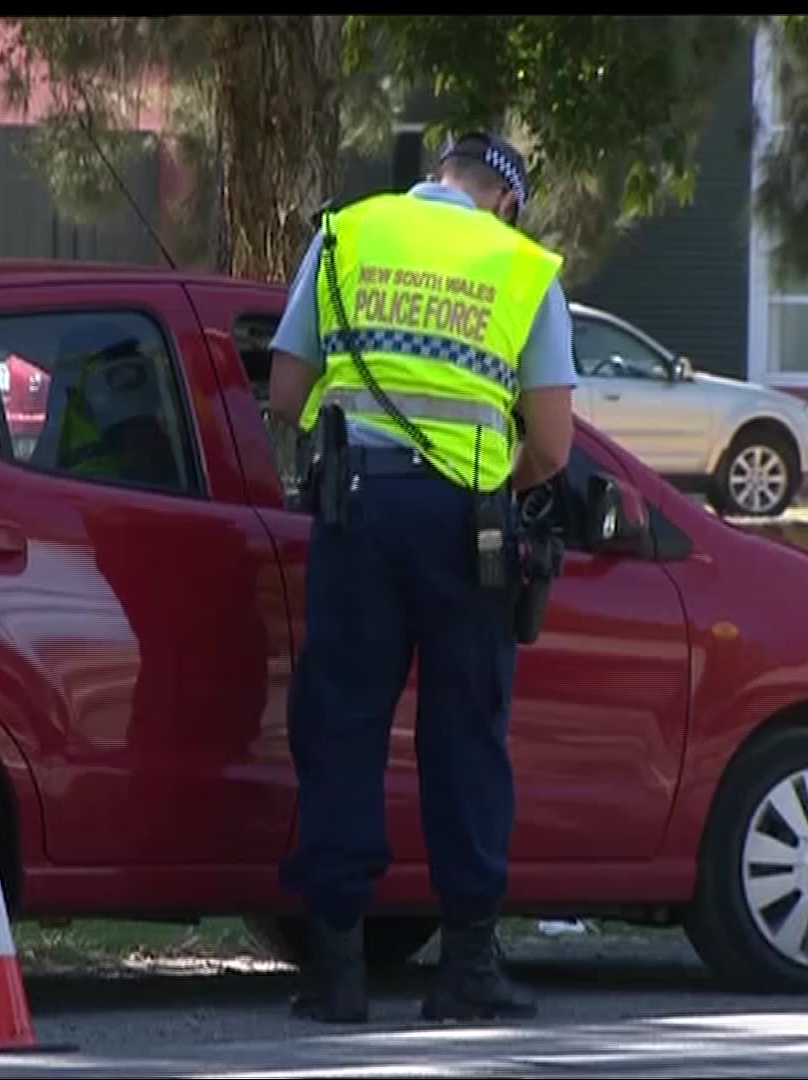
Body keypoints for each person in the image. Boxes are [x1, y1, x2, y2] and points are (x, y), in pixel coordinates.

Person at [264, 132, 579, 1025]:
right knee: (465, 736)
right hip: (468, 532)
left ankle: (336, 972)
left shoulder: (347, 234)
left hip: (355, 516)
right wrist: (488, 482)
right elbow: (552, 447)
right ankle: (466, 971)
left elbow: (287, 394)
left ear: (432, 179)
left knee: (342, 728)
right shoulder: (522, 268)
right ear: (506, 201)